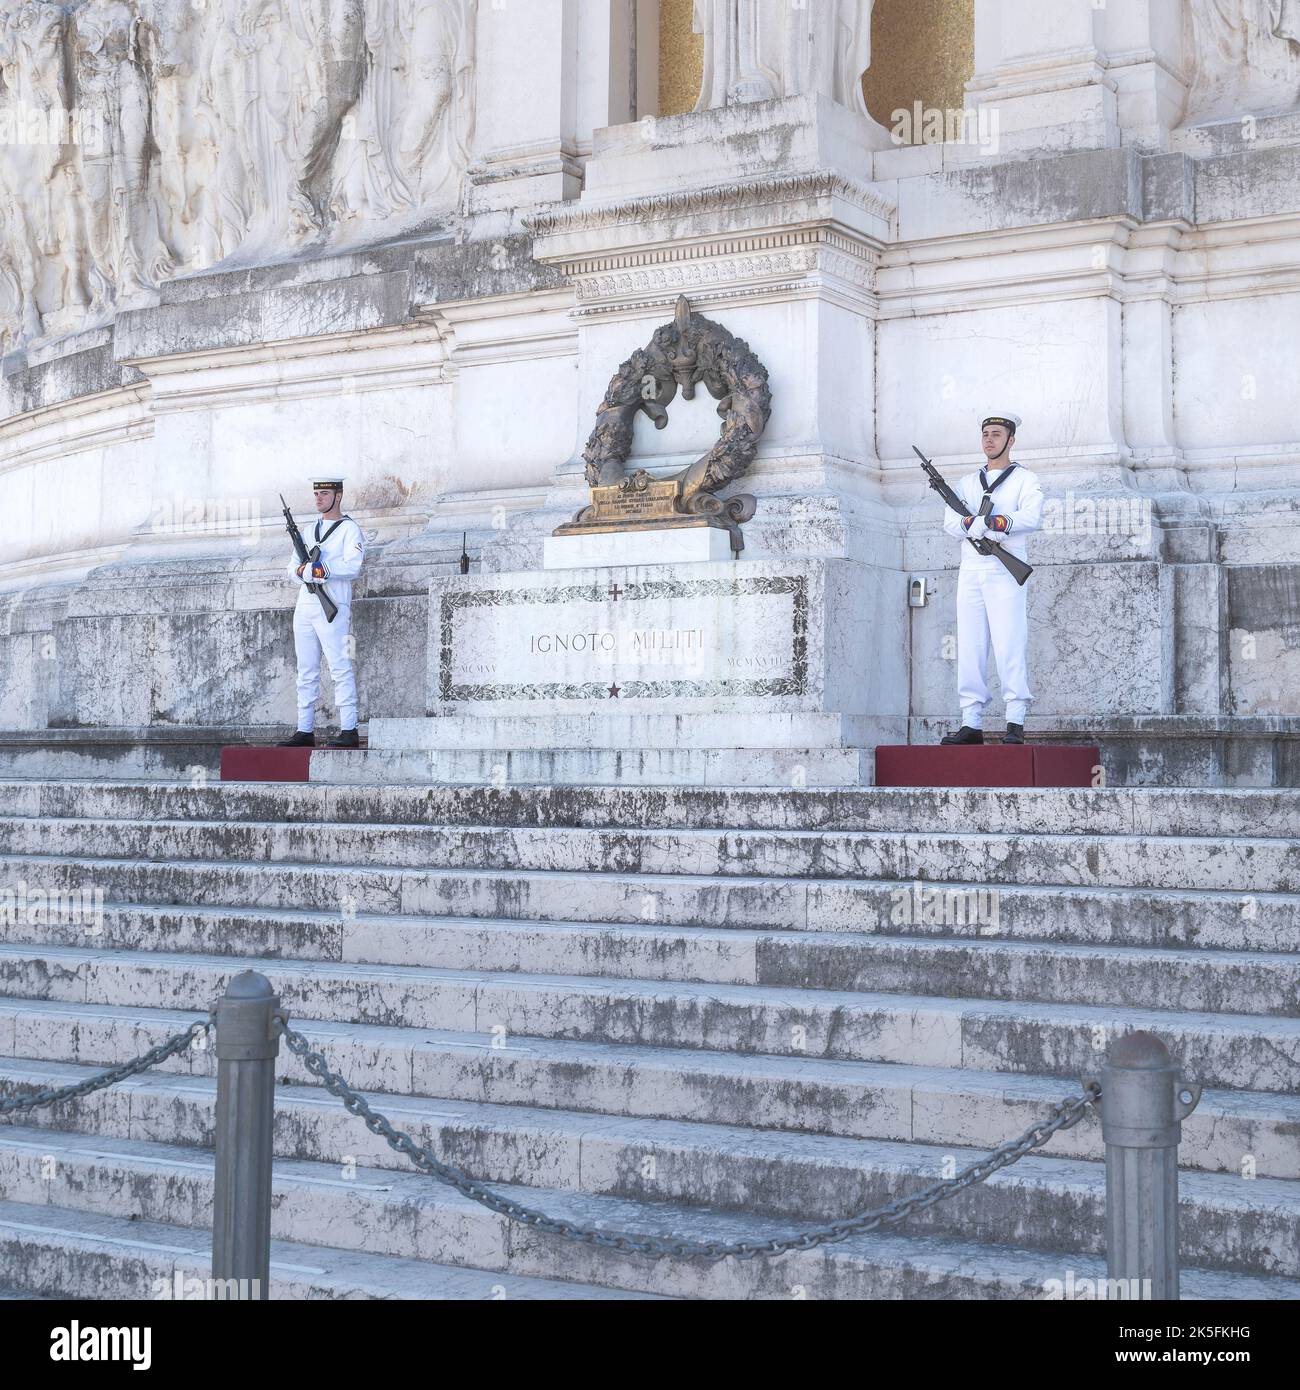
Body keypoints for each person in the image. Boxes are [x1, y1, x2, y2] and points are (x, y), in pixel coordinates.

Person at [939, 414, 1043, 746]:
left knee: (1009, 642)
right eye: (985, 434)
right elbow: (950, 523)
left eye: (996, 434)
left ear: (1011, 441)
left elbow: (1030, 517)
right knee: (970, 645)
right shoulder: (968, 483)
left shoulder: (1025, 480)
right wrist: (973, 523)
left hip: (1004, 570)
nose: (989, 439)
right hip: (971, 570)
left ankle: (1015, 721)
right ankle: (972, 722)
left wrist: (994, 522)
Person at [278, 477, 365, 749]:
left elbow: (354, 566)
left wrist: (322, 570)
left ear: (338, 496)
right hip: (305, 605)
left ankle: (349, 728)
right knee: (305, 670)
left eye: (324, 493)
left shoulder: (349, 530)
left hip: (333, 606)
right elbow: (291, 568)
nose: (318, 498)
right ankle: (305, 729)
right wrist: (301, 571)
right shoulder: (307, 530)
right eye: (316, 493)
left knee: (340, 665)